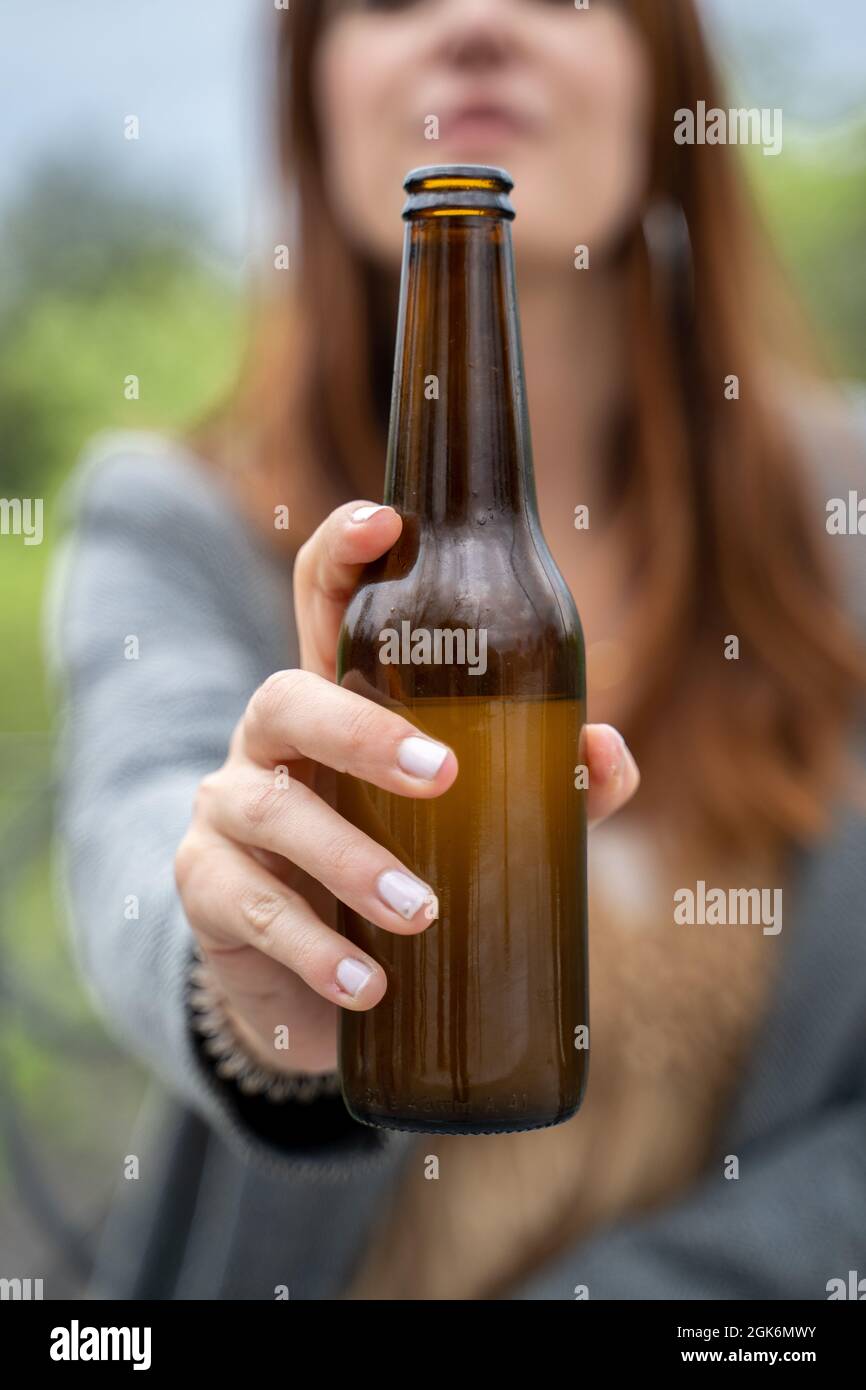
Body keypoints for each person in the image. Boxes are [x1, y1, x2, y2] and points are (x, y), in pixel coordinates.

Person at [50, 0, 866, 1301]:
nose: (476, 21)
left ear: (667, 80)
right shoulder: (180, 515)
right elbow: (131, 827)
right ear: (310, 103)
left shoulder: (845, 519)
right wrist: (245, 970)